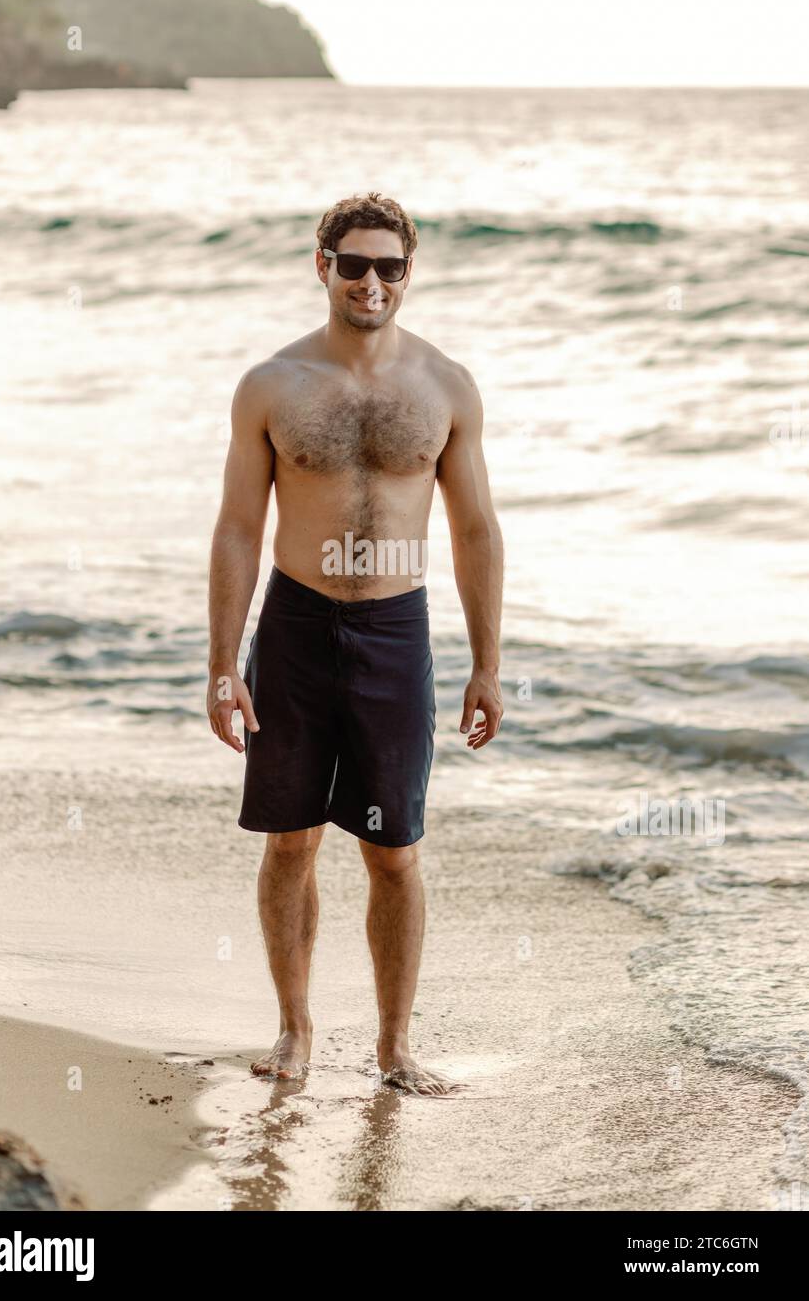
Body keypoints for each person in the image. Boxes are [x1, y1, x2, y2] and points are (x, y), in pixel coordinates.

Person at [207, 191, 503, 1095]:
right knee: (290, 842)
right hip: (295, 627)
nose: (372, 282)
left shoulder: (446, 385)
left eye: (390, 267)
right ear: (322, 265)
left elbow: (477, 531)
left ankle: (394, 1047)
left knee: (395, 852)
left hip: (393, 630)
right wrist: (224, 666)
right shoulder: (272, 386)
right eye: (354, 264)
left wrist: (488, 664)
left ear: (409, 273)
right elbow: (236, 532)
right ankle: (296, 1031)